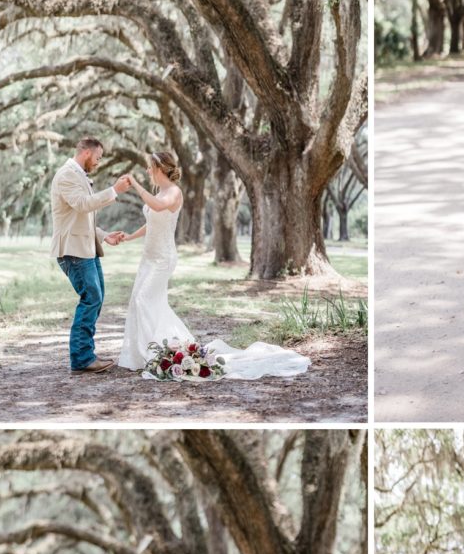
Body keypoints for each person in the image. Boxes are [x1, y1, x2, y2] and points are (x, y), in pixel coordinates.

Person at [108, 148, 311, 382]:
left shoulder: (174, 192)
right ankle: (154, 351)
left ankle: (157, 352)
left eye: (149, 167)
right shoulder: (159, 192)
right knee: (142, 300)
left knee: (144, 299)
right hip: (149, 257)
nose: (146, 171)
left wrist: (134, 184)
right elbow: (152, 221)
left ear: (160, 168)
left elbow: (158, 207)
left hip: (163, 258)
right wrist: (130, 237)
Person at [50, 136, 132, 374]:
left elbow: (80, 218)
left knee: (97, 297)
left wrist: (104, 235)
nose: (98, 162)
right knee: (91, 298)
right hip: (72, 251)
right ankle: (82, 359)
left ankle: (86, 353)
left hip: (86, 248)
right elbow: (83, 204)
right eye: (98, 157)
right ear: (87, 153)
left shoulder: (78, 175)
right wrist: (114, 190)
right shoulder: (66, 175)